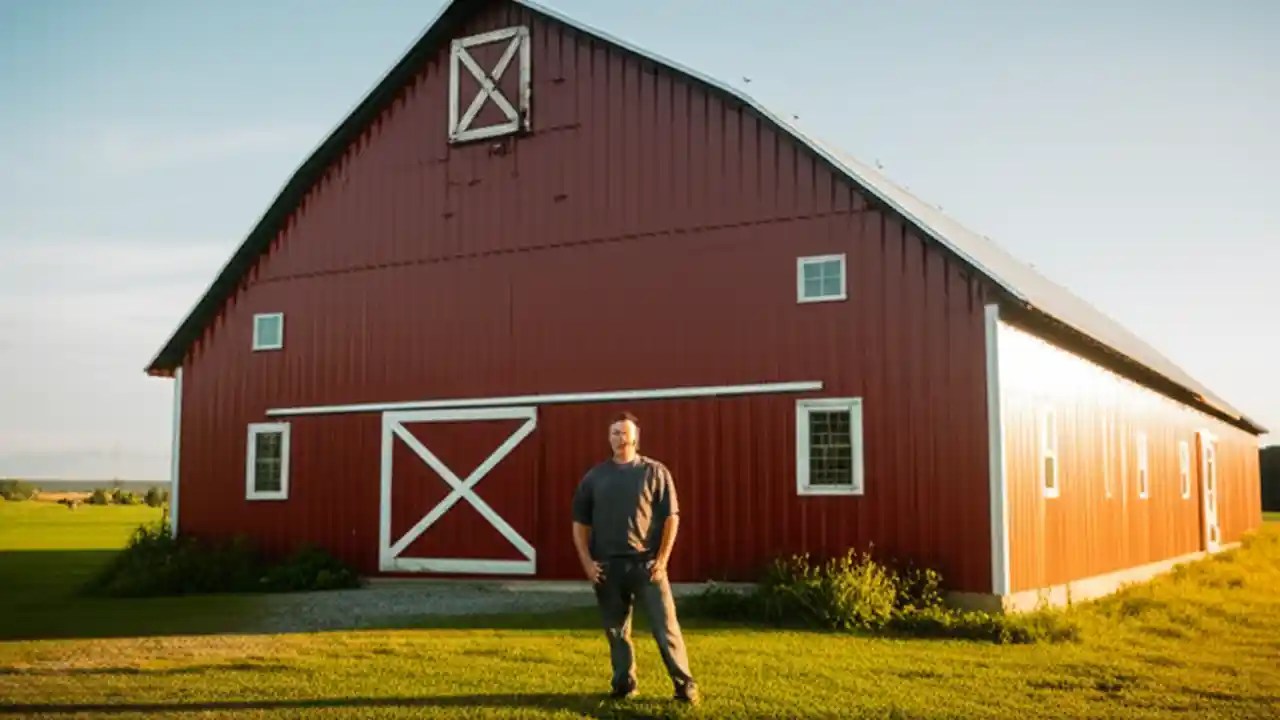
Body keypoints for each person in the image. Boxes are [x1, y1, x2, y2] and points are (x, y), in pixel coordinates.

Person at [571, 412, 700, 705]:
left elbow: (671, 518)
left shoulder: (654, 472)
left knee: (665, 628)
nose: (619, 438)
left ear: (635, 437)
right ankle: (623, 683)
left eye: (624, 433)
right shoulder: (594, 477)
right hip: (608, 567)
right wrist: (588, 564)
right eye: (614, 433)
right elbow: (579, 524)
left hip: (647, 566)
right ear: (609, 438)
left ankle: (685, 685)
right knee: (617, 631)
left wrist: (663, 559)